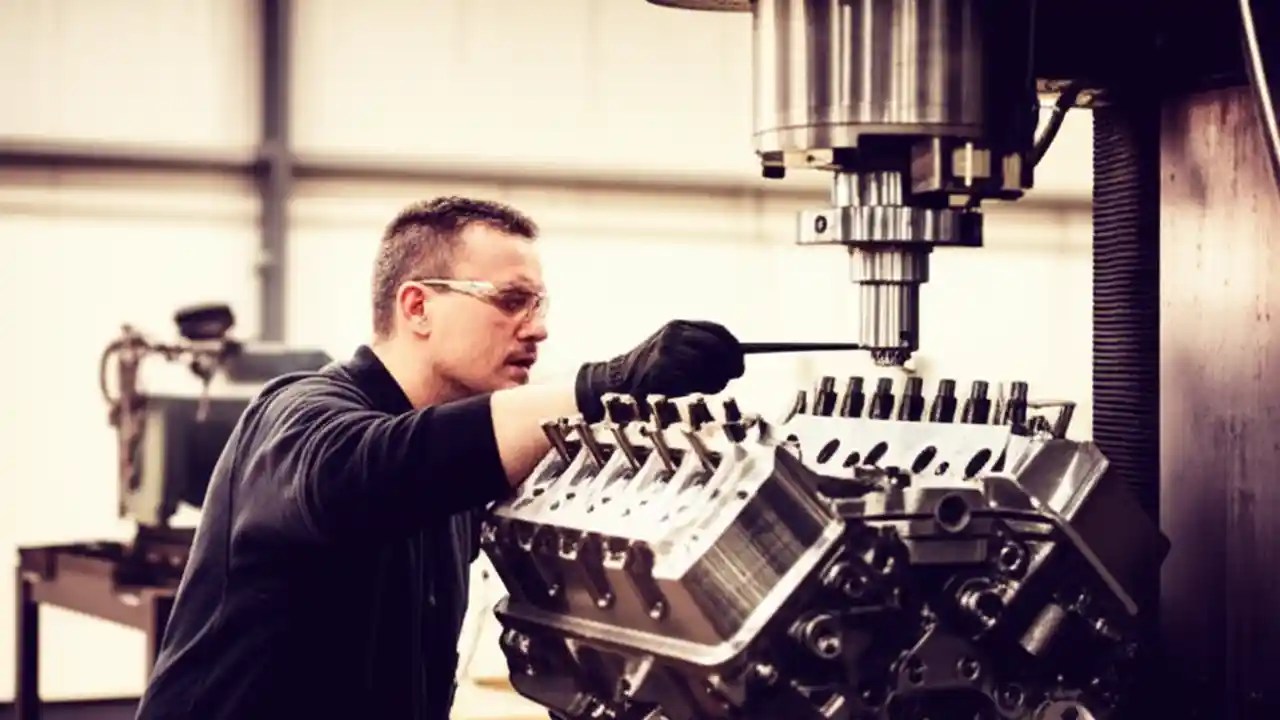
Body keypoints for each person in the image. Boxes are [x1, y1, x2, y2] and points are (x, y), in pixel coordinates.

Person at [134, 196, 745, 720]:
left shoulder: (456, 474)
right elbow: (365, 474)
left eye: (539, 305)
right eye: (511, 301)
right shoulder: (298, 413)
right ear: (418, 307)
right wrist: (599, 387)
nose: (537, 329)